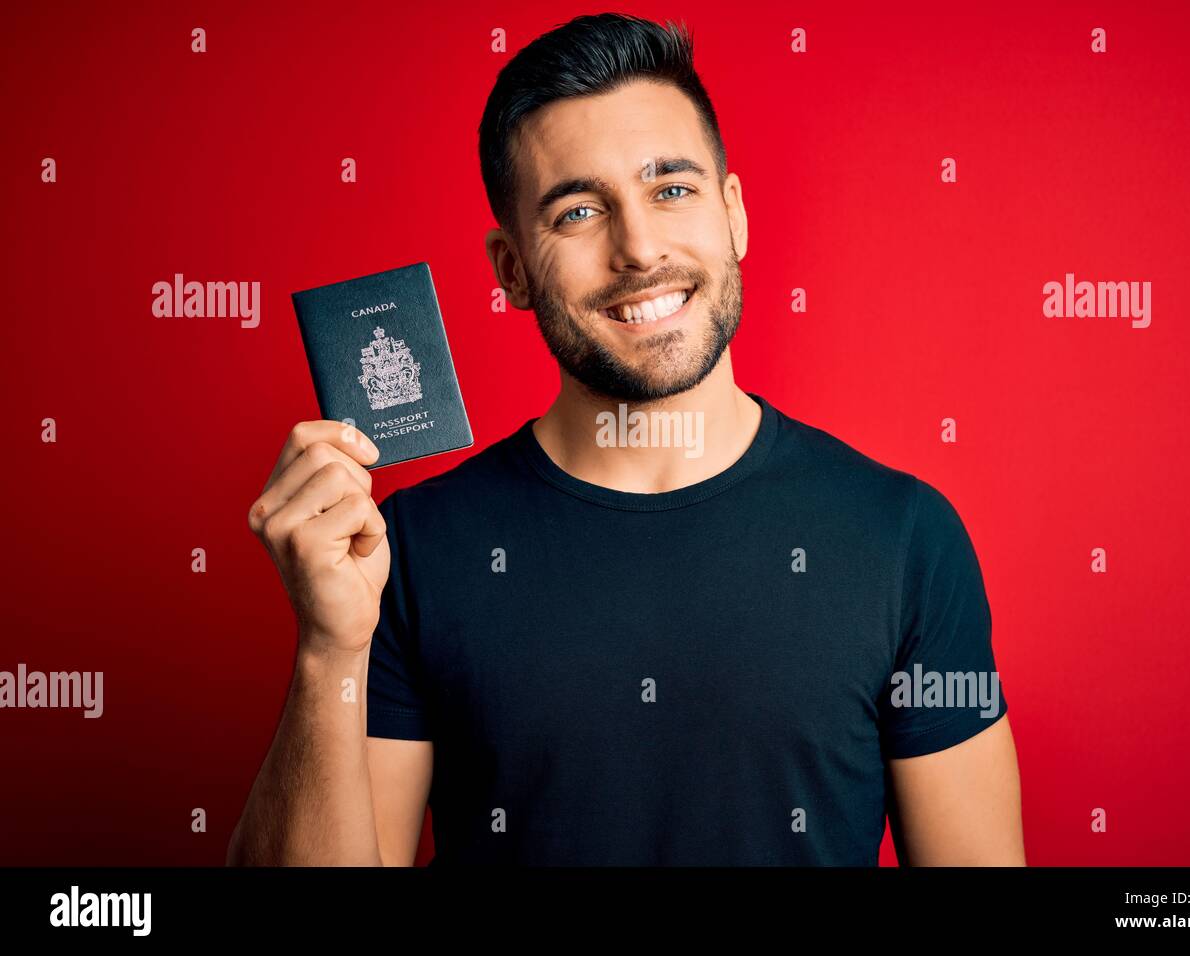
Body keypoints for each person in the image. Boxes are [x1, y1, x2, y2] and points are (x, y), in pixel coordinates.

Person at [227, 12, 1025, 866]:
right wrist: (327, 649)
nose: (639, 249)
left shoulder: (907, 538)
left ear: (733, 215)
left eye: (671, 189)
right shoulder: (404, 550)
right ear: (513, 270)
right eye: (578, 211)